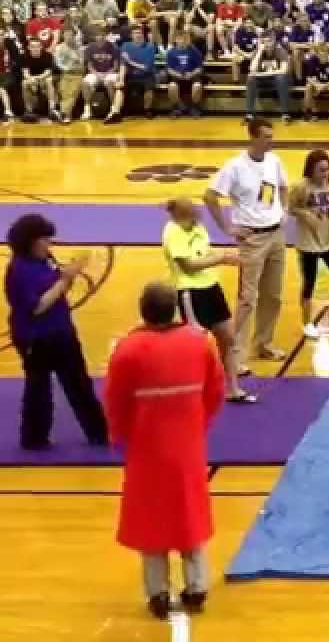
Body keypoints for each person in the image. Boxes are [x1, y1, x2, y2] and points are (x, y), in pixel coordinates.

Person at [104, 282, 224, 618]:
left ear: (143, 309)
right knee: (190, 515)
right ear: (174, 308)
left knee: (151, 519)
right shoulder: (200, 343)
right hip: (187, 446)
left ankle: (157, 593)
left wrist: (121, 437)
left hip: (146, 448)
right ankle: (197, 586)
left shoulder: (128, 350)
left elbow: (115, 402)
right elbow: (215, 392)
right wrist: (196, 426)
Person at [5, 213, 107, 450]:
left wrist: (66, 276)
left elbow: (57, 286)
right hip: (36, 338)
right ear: (31, 241)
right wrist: (66, 279)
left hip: (61, 331)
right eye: (45, 239)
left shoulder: (44, 259)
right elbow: (37, 307)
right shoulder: (20, 270)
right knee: (38, 389)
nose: (49, 244)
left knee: (80, 384)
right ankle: (34, 439)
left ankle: (98, 433)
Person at [204, 119, 288, 376]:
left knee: (273, 296)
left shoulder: (274, 161)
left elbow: (283, 187)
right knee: (247, 299)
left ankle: (263, 343)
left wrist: (282, 211)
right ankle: (233, 354)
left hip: (276, 235)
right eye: (266, 137)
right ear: (252, 138)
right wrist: (227, 228)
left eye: (272, 136)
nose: (270, 141)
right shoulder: (235, 167)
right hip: (252, 239)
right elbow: (209, 196)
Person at [162, 197, 254, 404]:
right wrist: (221, 258)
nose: (196, 220)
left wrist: (228, 257)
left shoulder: (198, 227)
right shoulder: (173, 233)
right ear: (179, 217)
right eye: (192, 217)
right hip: (190, 293)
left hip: (212, 288)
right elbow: (189, 266)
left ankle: (232, 388)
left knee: (228, 338)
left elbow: (204, 252)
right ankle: (188, 388)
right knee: (196, 345)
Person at [289, 150, 329, 338]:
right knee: (309, 282)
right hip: (308, 244)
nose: (325, 174)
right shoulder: (300, 187)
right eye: (321, 170)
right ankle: (307, 322)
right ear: (311, 170)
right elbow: (290, 208)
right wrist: (305, 214)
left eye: (327, 169)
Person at [165, 30, 206, 117]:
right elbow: (169, 69)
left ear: (188, 40)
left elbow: (199, 68)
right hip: (177, 75)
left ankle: (195, 107)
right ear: (175, 40)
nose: (183, 41)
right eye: (180, 39)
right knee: (172, 86)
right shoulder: (171, 52)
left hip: (192, 75)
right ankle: (176, 108)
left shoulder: (195, 51)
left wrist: (191, 74)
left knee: (197, 86)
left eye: (185, 39)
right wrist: (177, 75)